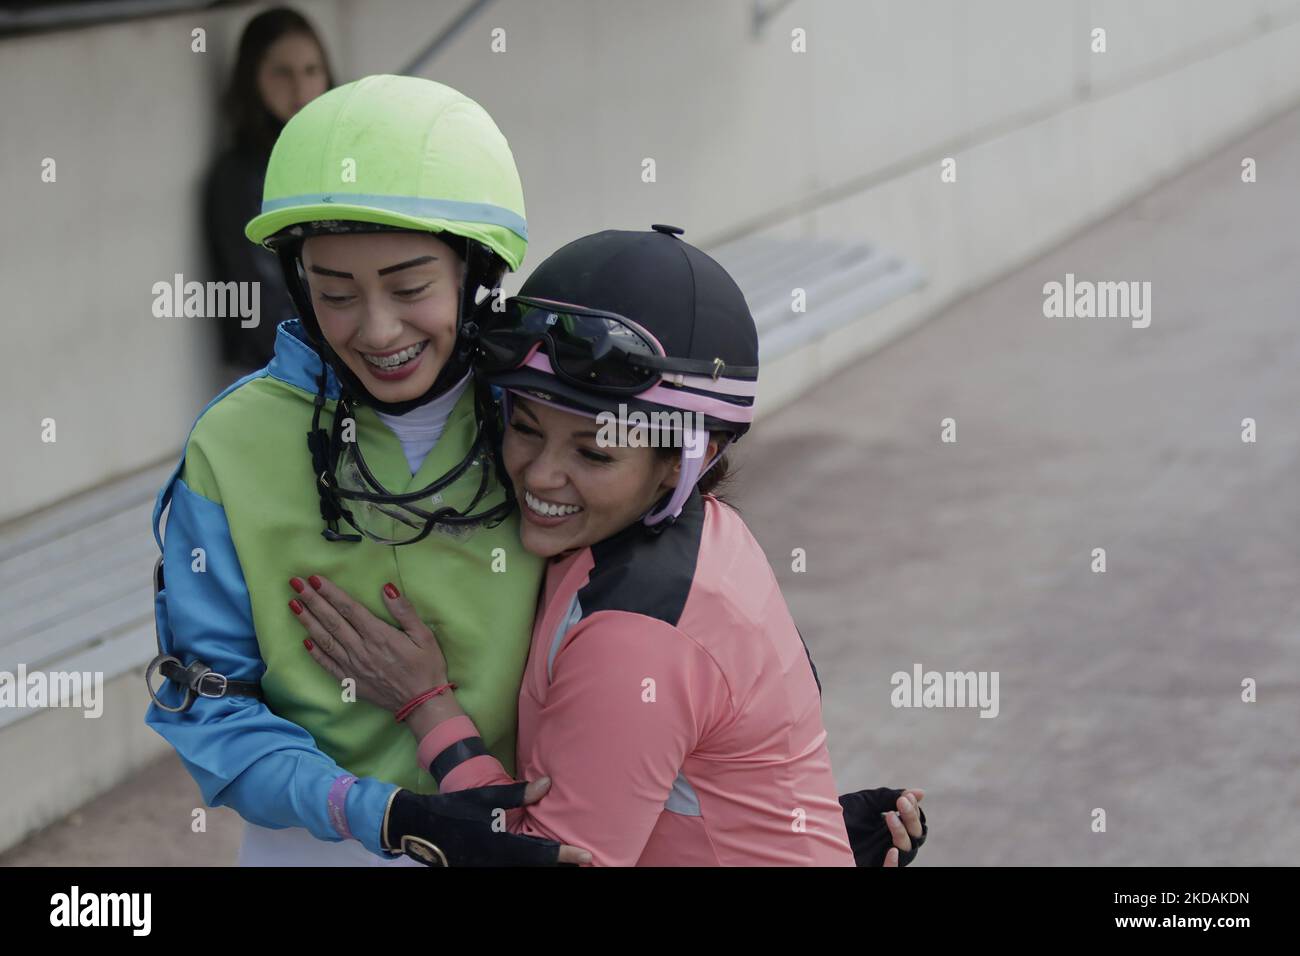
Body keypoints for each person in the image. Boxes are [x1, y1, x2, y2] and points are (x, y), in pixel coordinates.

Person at [290, 226, 930, 865]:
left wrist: (425, 705)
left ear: (687, 458)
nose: (541, 475)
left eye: (593, 453)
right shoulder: (696, 531)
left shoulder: (638, 628)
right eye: (526, 428)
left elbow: (556, 859)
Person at [147, 74, 585, 866]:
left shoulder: (547, 413)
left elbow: (654, 625)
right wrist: (379, 814)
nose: (377, 330)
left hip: (530, 840)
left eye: (410, 287)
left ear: (474, 272)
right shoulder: (229, 444)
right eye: (335, 292)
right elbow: (211, 707)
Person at [203, 6, 333, 371]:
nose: (300, 88)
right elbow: (260, 307)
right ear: (252, 78)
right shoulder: (240, 177)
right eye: (282, 72)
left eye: (311, 70)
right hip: (289, 376)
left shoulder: (341, 157)